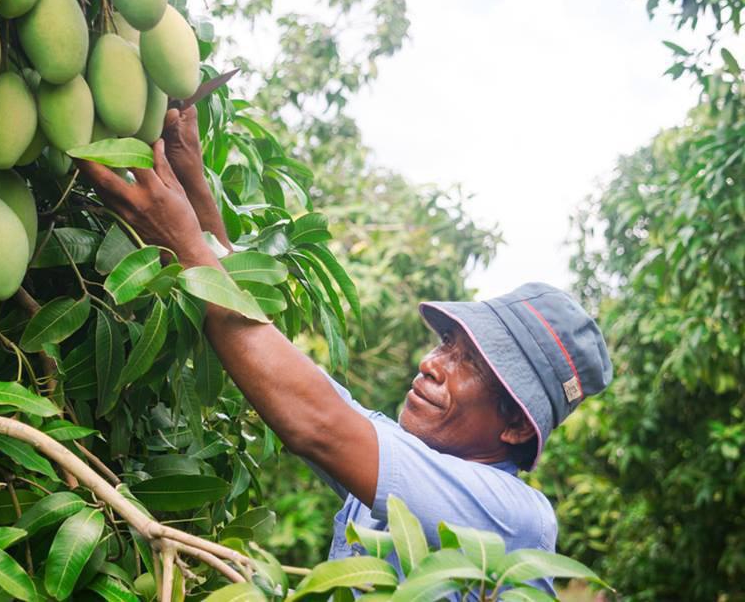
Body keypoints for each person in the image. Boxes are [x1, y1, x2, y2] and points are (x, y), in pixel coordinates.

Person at [79, 107, 613, 594]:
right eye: (446, 345)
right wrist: (191, 174)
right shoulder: (402, 464)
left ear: (516, 427)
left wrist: (184, 245)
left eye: (467, 364)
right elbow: (287, 375)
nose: (430, 364)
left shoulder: (512, 516)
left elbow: (316, 421)